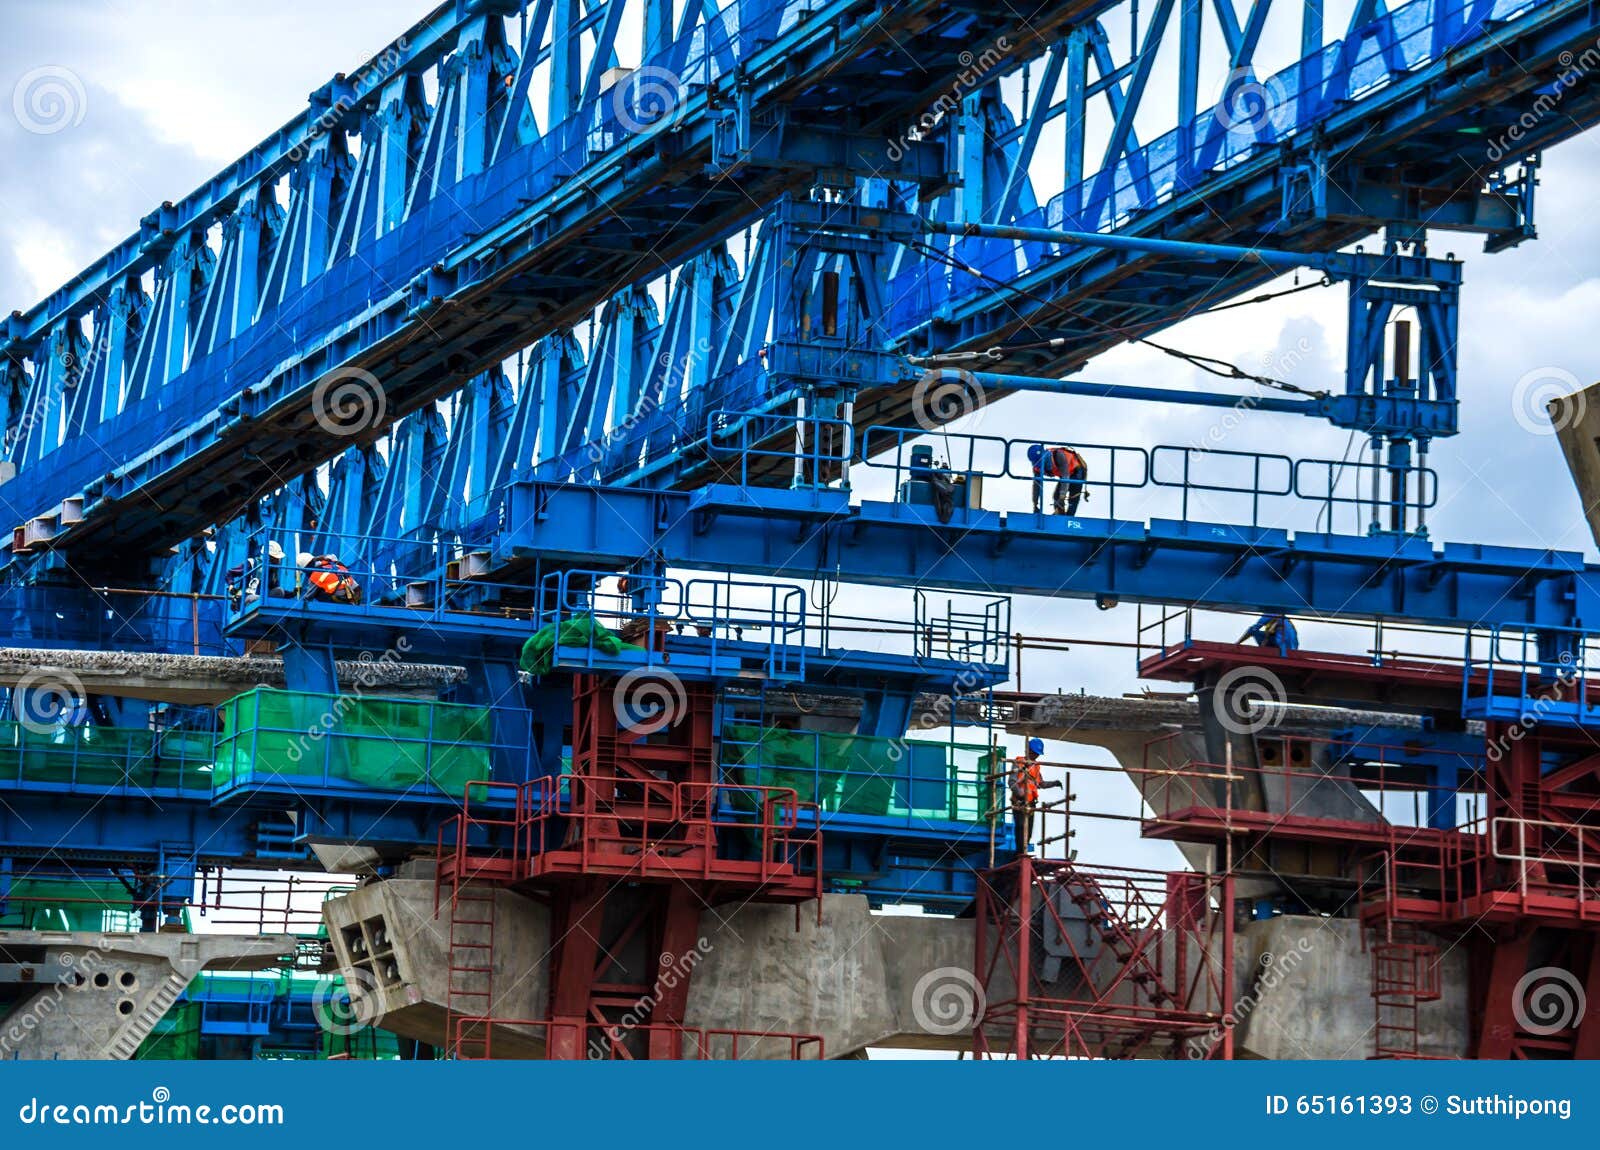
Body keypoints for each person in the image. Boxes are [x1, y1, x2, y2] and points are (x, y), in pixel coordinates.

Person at [1011, 737, 1063, 856]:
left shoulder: (1035, 766)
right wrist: (1020, 794)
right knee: (1020, 827)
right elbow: (1012, 782)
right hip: (1019, 801)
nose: (1036, 756)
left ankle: (1023, 851)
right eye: (1034, 753)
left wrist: (1054, 783)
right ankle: (1019, 853)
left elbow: (1041, 784)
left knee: (1028, 830)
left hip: (1031, 803)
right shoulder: (1018, 762)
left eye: (1037, 754)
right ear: (1028, 750)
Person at [1028, 444, 1089, 516]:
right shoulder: (1037, 467)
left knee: (1072, 499)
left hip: (1077, 471)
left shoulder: (1058, 455)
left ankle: (1069, 519)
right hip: (1065, 475)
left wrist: (1062, 497)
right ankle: (1060, 516)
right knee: (1056, 497)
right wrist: (1035, 504)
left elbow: (1065, 477)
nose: (1040, 465)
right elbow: (1036, 485)